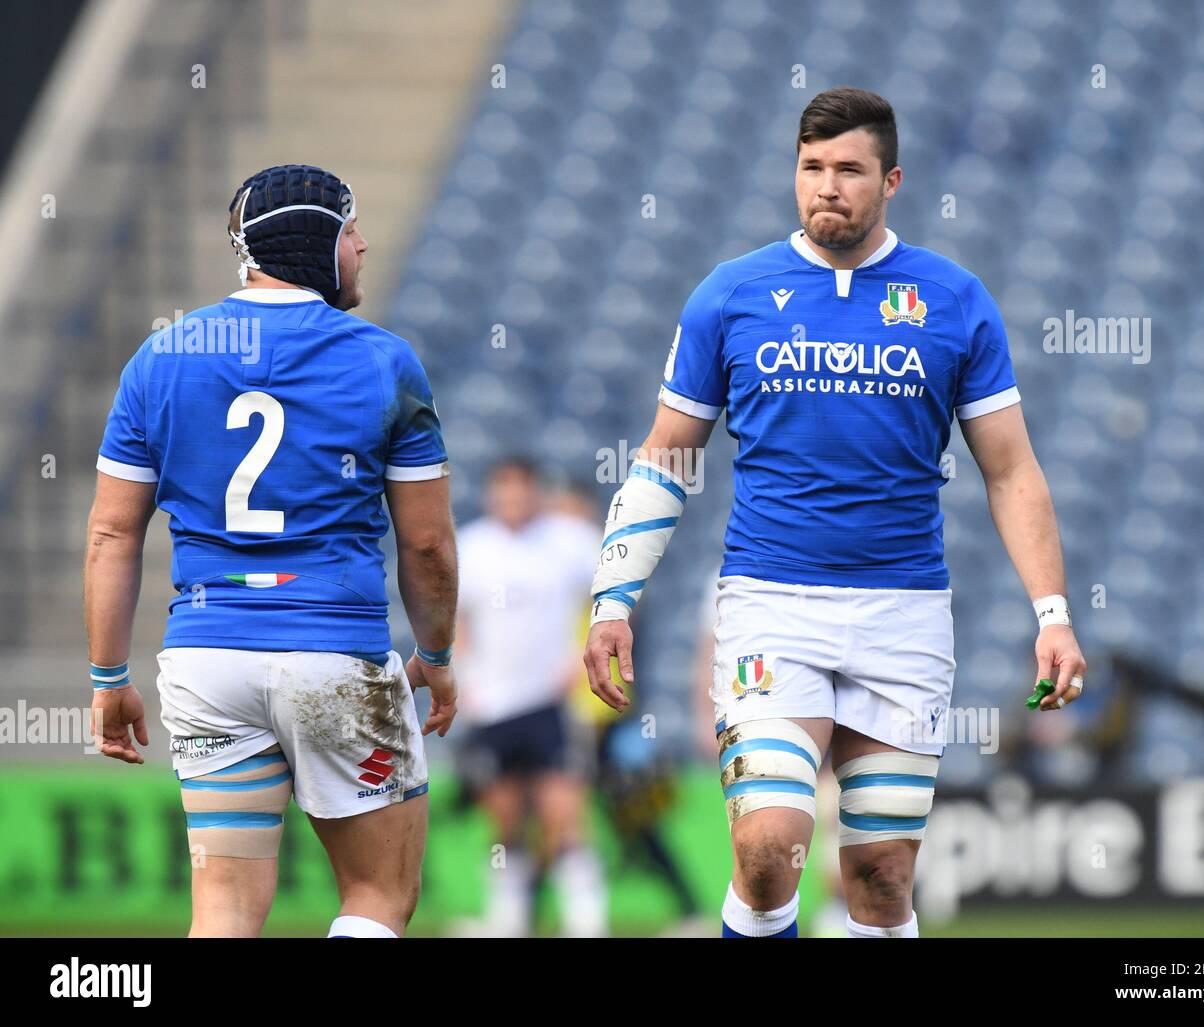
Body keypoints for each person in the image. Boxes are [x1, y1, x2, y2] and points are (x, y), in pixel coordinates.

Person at [583, 89, 1087, 938]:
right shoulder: (731, 294)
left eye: (848, 169)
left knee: (883, 881)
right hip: (772, 606)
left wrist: (1054, 614)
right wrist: (612, 599)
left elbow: (1011, 471)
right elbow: (668, 454)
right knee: (768, 849)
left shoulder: (953, 299)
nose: (827, 186)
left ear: (891, 180)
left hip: (905, 614)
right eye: (811, 167)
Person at [84, 164, 458, 938]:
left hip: (207, 656)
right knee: (379, 893)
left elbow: (113, 532)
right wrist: (437, 653)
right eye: (351, 230)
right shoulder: (385, 361)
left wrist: (108, 676)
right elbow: (425, 545)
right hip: (334, 652)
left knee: (222, 908)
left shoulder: (159, 357)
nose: (364, 246)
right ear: (317, 242)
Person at [453, 458, 607, 935]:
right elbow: (454, 620)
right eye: (504, 492)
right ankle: (507, 922)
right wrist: (464, 677)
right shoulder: (473, 546)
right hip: (492, 704)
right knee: (504, 821)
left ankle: (587, 923)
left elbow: (611, 593)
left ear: (537, 492)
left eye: (521, 491)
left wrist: (581, 651)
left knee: (564, 815)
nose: (512, 502)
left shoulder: (568, 540)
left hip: (550, 702)